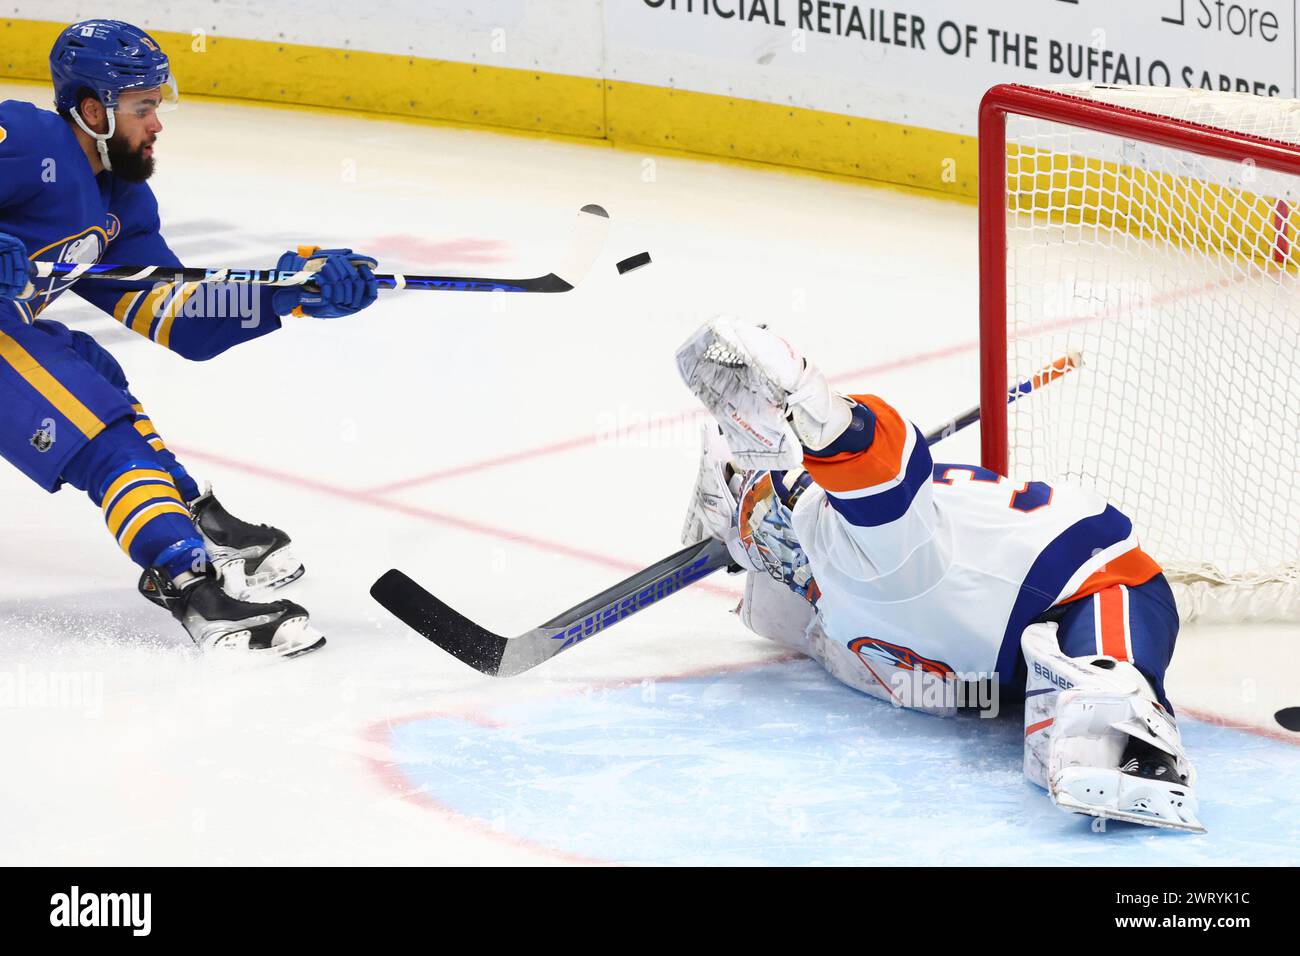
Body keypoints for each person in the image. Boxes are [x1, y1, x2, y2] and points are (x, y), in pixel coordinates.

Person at [676, 315, 1203, 832]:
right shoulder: (814, 608)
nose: (764, 536)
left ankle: (1128, 716)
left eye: (759, 510)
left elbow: (885, 476)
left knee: (1105, 720)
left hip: (1089, 578)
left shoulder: (841, 542)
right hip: (998, 638)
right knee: (1028, 703)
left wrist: (820, 414)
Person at [0, 20, 381, 658]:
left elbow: (180, 316)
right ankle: (192, 590)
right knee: (100, 432)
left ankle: (190, 516)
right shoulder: (25, 139)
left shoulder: (118, 200)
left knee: (91, 372)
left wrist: (288, 292)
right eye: (142, 107)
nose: (157, 123)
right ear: (93, 110)